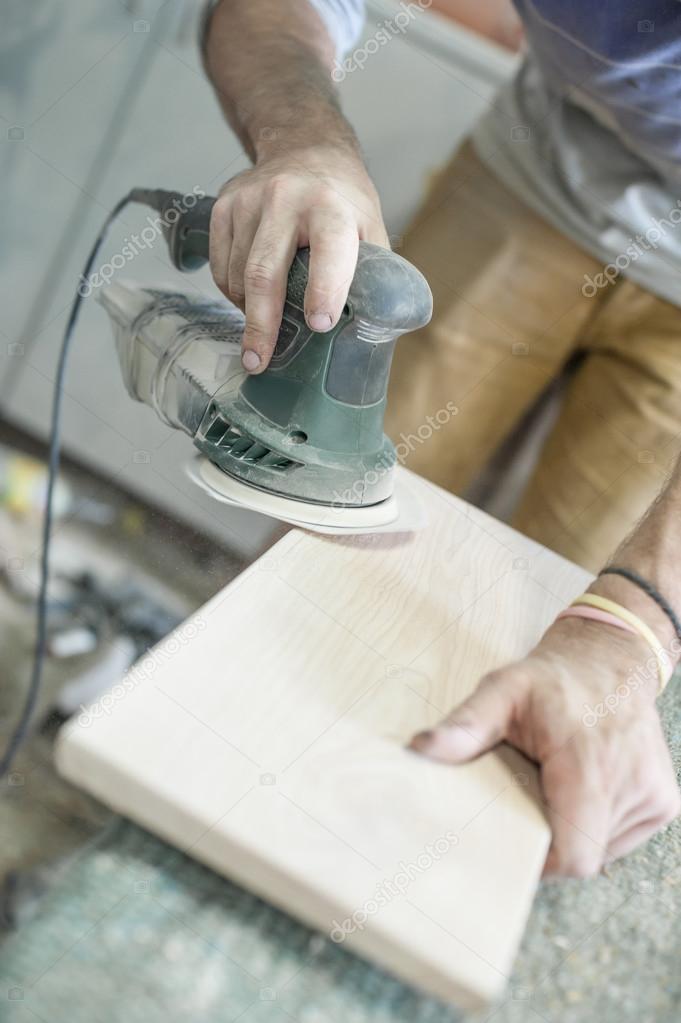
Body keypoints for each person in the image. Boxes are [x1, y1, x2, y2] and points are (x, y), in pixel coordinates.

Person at [200, 0, 681, 876]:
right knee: (332, 522)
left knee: (557, 630)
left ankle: (391, 873)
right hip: (540, 166)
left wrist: (629, 626)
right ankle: (224, 792)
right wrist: (306, 140)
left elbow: (611, 628)